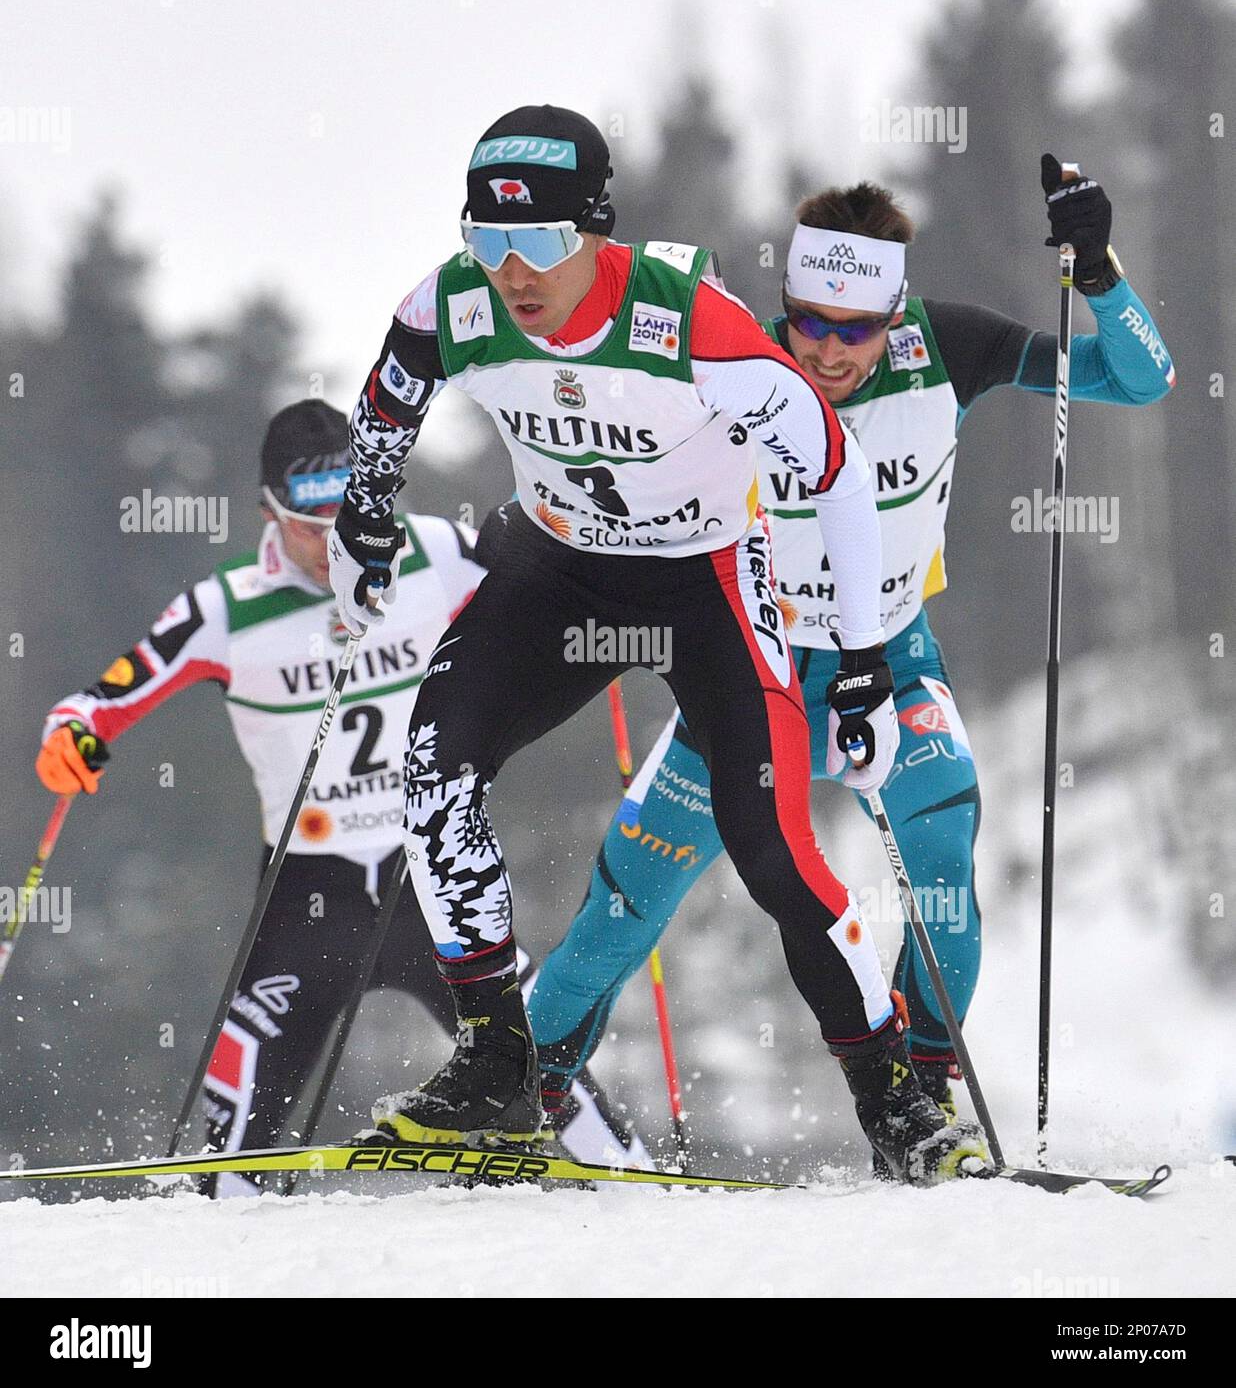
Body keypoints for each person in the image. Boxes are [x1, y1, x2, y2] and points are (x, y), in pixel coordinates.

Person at [327, 103, 988, 1185]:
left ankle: (897, 1103)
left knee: (769, 843)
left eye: (539, 242)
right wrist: (363, 517)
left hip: (706, 578)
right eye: (487, 243)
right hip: (557, 571)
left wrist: (863, 660)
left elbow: (837, 475)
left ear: (597, 232)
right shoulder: (450, 304)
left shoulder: (693, 328)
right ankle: (497, 1060)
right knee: (432, 774)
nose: (513, 273)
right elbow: (389, 398)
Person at [527, 160, 1175, 1172]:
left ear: (893, 315)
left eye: (852, 329)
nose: (824, 350)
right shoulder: (734, 358)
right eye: (807, 322)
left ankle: (919, 1107)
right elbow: (593, 420)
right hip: (750, 677)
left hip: (893, 666)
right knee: (620, 910)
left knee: (945, 873)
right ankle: (521, 1093)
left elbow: (1141, 379)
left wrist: (1097, 270)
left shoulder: (946, 347)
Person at [34, 399, 647, 1196]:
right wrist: (72, 738)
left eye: (349, 518)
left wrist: (610, 611)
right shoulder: (225, 607)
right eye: (306, 526)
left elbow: (559, 583)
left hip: (424, 873)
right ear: (268, 514)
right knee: (241, 1113)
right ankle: (222, 1224)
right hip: (306, 894)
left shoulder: (434, 552)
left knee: (537, 1042)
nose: (332, 548)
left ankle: (639, 1184)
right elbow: (98, 702)